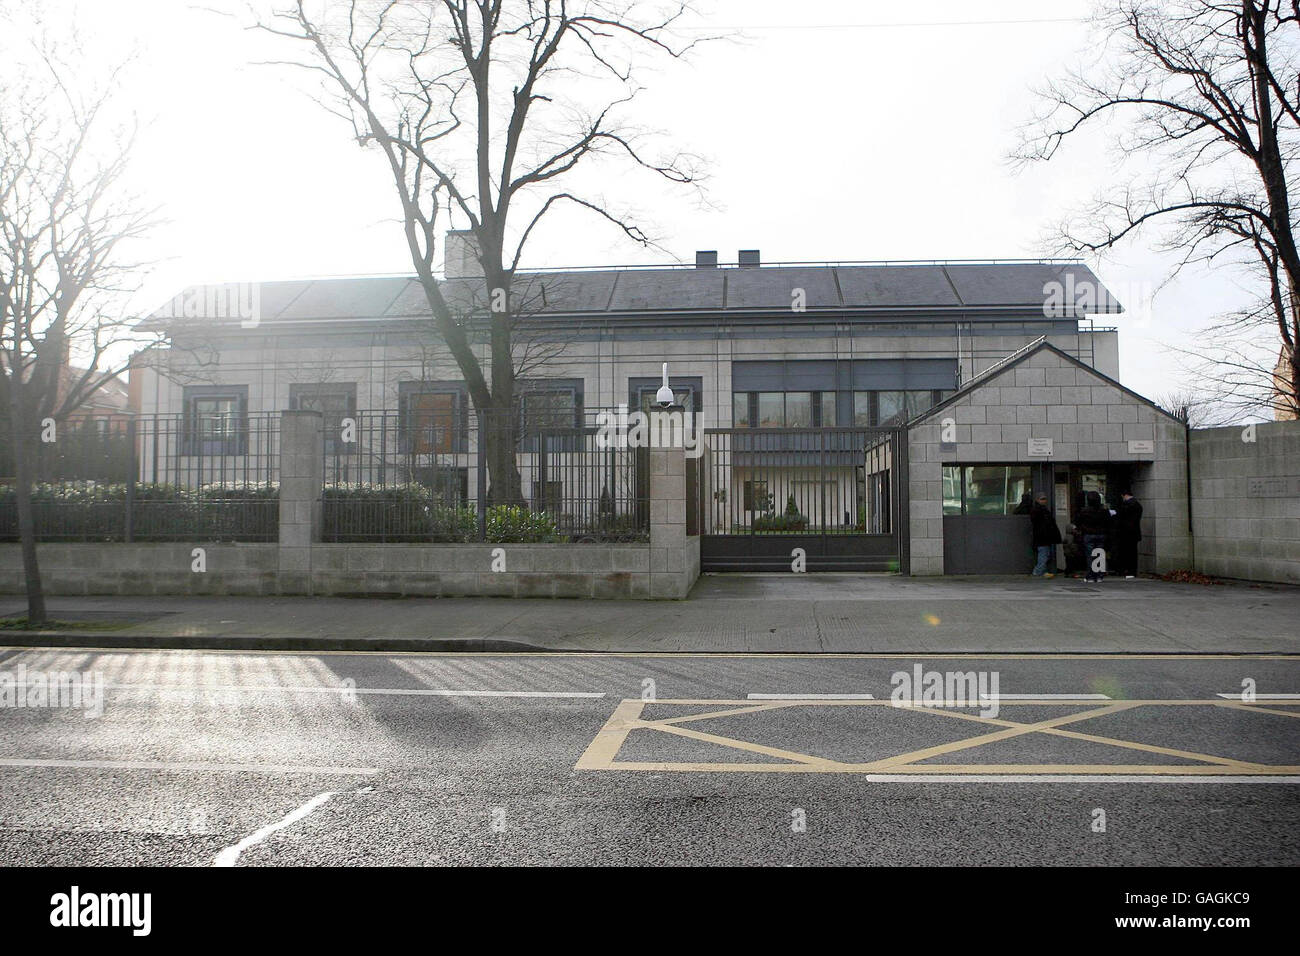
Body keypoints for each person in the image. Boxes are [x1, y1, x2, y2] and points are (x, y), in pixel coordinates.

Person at [1075, 491, 1111, 583]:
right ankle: (1099, 575)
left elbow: (1078, 522)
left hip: (1088, 534)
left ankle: (1091, 575)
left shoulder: (1084, 511)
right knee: (1100, 554)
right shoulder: (1104, 510)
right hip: (1101, 534)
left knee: (1090, 555)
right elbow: (1108, 522)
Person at [1028, 492, 1061, 578]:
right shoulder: (1039, 510)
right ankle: (1039, 571)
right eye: (1042, 499)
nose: (1044, 501)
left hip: (1043, 536)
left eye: (1044, 499)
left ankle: (1040, 570)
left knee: (1045, 554)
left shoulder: (1041, 510)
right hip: (1042, 536)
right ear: (1037, 499)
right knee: (1044, 554)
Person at [1114, 490, 1143, 579]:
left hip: (1125, 533)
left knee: (1125, 552)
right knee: (1132, 552)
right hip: (1134, 532)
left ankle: (1124, 570)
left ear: (1124, 495)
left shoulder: (1127, 505)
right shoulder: (1138, 505)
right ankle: (1132, 571)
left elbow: (1120, 517)